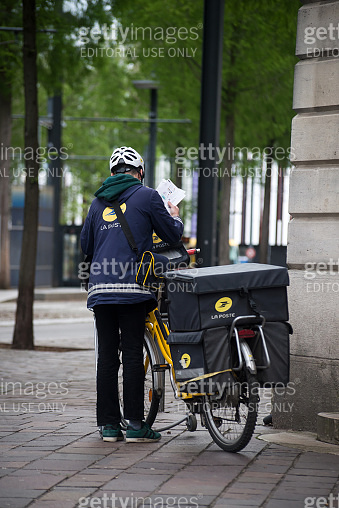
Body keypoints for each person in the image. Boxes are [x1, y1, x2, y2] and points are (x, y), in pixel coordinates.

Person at [81, 146, 183, 443]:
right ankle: (136, 425)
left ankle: (109, 427)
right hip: (133, 287)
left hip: (101, 289)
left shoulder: (97, 202)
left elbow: (85, 246)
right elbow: (172, 236)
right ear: (139, 171)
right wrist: (174, 215)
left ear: (112, 173)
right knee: (134, 355)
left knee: (108, 357)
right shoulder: (149, 195)